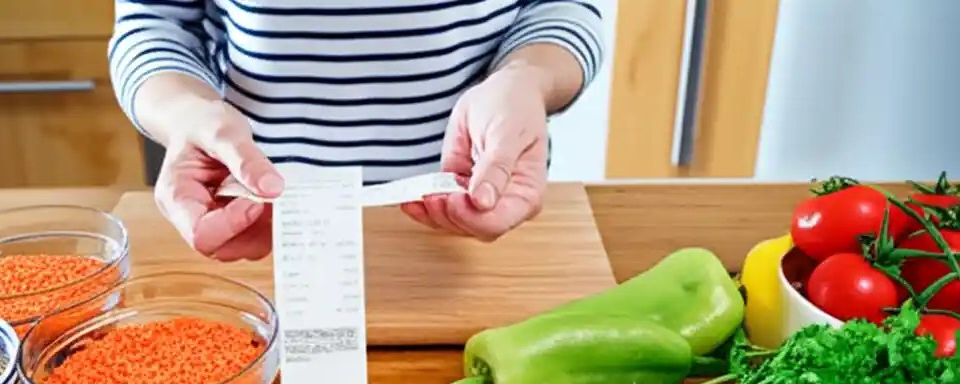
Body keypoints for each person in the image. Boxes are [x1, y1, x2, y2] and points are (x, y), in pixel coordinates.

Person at [109, 0, 605, 261]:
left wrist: (528, 78)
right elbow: (153, 21)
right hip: (258, 230)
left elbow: (561, 5)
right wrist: (182, 112)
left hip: (484, 215)